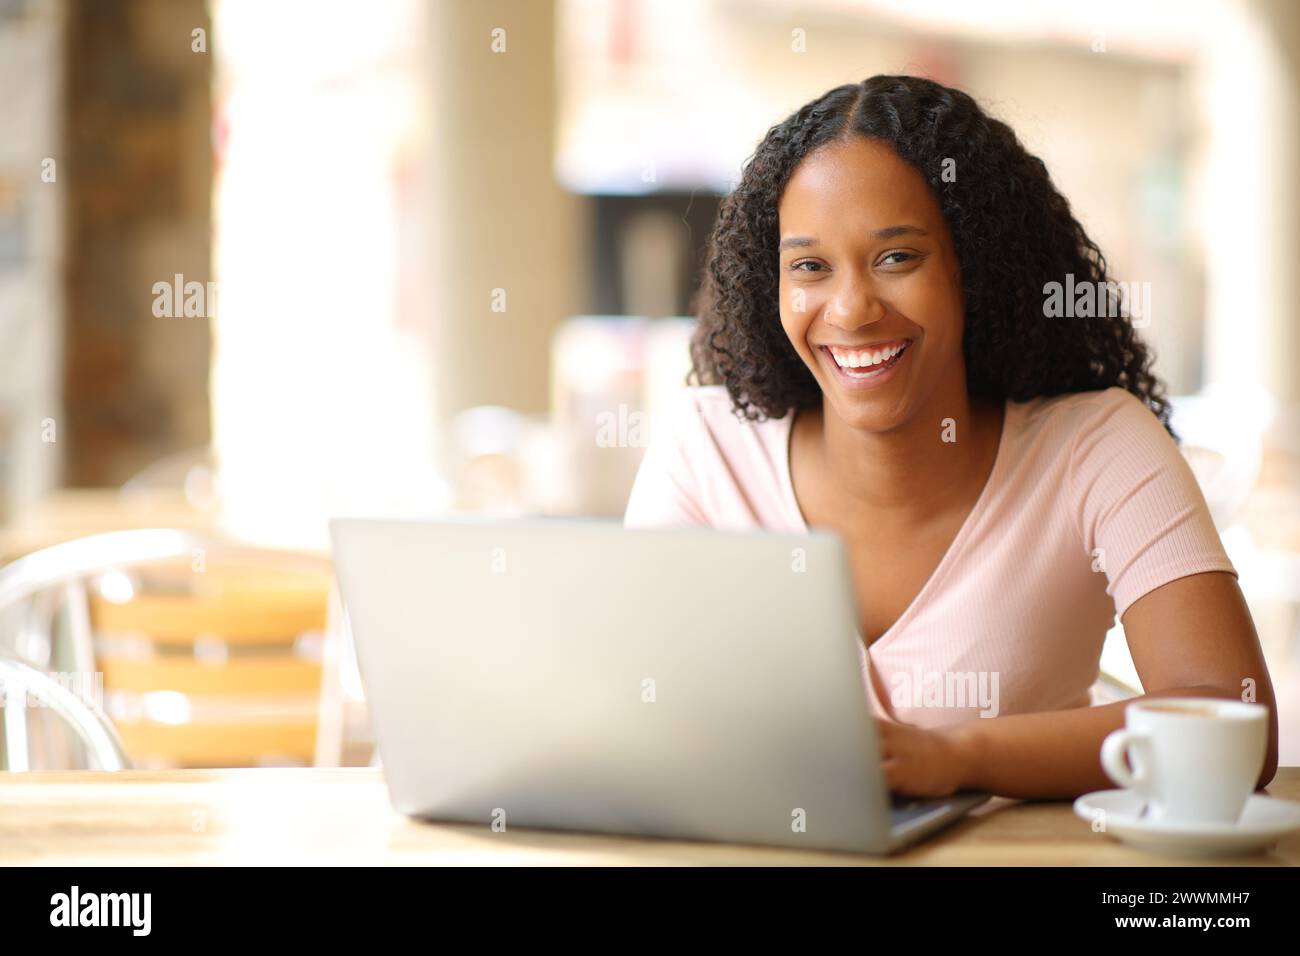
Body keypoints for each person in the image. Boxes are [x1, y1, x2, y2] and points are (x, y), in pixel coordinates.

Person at [623, 75, 1278, 800]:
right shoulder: (704, 451)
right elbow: (633, 712)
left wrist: (961, 757)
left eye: (896, 258)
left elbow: (1236, 722)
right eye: (810, 266)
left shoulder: (1097, 447)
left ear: (978, 268)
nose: (851, 309)